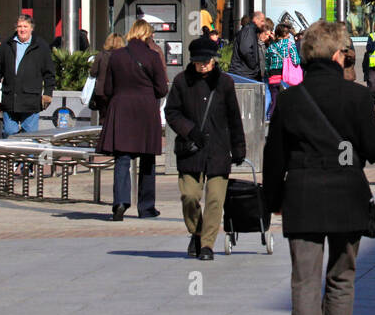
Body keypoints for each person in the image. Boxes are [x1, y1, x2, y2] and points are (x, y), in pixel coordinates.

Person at [263, 20, 375, 315]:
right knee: (341, 279)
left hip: (302, 196)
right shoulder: (357, 97)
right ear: (337, 56)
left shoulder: (291, 99)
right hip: (347, 198)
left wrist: (273, 200)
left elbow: (274, 155)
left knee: (305, 283)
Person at [164, 37, 245, 260]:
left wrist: (239, 147)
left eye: (207, 61)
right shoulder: (182, 81)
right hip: (191, 149)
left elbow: (233, 117)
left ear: (214, 60)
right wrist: (189, 130)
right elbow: (171, 112)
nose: (203, 65)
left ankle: (208, 245)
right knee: (189, 196)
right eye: (199, 62)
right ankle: (197, 232)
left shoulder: (225, 83)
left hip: (218, 149)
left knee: (215, 200)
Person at [98, 20, 169, 221]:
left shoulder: (117, 56)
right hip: (146, 109)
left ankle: (120, 202)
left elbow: (108, 88)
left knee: (122, 159)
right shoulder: (153, 56)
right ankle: (146, 208)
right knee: (147, 159)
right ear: (147, 35)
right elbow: (162, 89)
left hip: (121, 108)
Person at [0, 14, 56, 136]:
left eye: (25, 26)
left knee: (30, 135)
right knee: (9, 132)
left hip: (30, 99)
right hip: (10, 98)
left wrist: (48, 93)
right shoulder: (6, 45)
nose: (22, 29)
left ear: (31, 28)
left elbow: (49, 72)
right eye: (19, 26)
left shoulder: (41, 46)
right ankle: (13, 155)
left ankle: (29, 155)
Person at [264, 21, 300, 118]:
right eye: (288, 33)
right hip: (285, 78)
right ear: (285, 34)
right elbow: (296, 61)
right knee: (287, 101)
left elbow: (266, 64)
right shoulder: (290, 45)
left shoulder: (271, 46)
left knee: (274, 99)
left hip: (272, 77)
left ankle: (270, 118)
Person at [228, 11, 266, 81]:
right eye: (262, 21)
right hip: (243, 75)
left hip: (245, 73)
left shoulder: (251, 30)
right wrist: (253, 65)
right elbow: (245, 50)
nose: (263, 24)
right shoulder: (249, 30)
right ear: (255, 19)